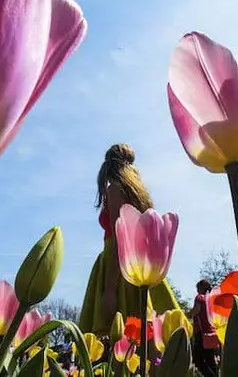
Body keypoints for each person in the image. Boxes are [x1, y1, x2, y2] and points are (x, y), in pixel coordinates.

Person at [79, 143, 180, 335]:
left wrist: (109, 290)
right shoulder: (138, 192)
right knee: (146, 330)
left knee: (124, 334)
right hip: (143, 262)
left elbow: (120, 239)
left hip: (120, 264)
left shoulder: (115, 190)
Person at [191, 280, 219, 377]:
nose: (197, 290)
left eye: (198, 288)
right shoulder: (210, 299)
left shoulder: (199, 298)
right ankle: (215, 374)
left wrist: (187, 314)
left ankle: (210, 375)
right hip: (211, 333)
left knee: (197, 358)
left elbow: (195, 311)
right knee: (210, 359)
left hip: (201, 332)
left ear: (201, 288)